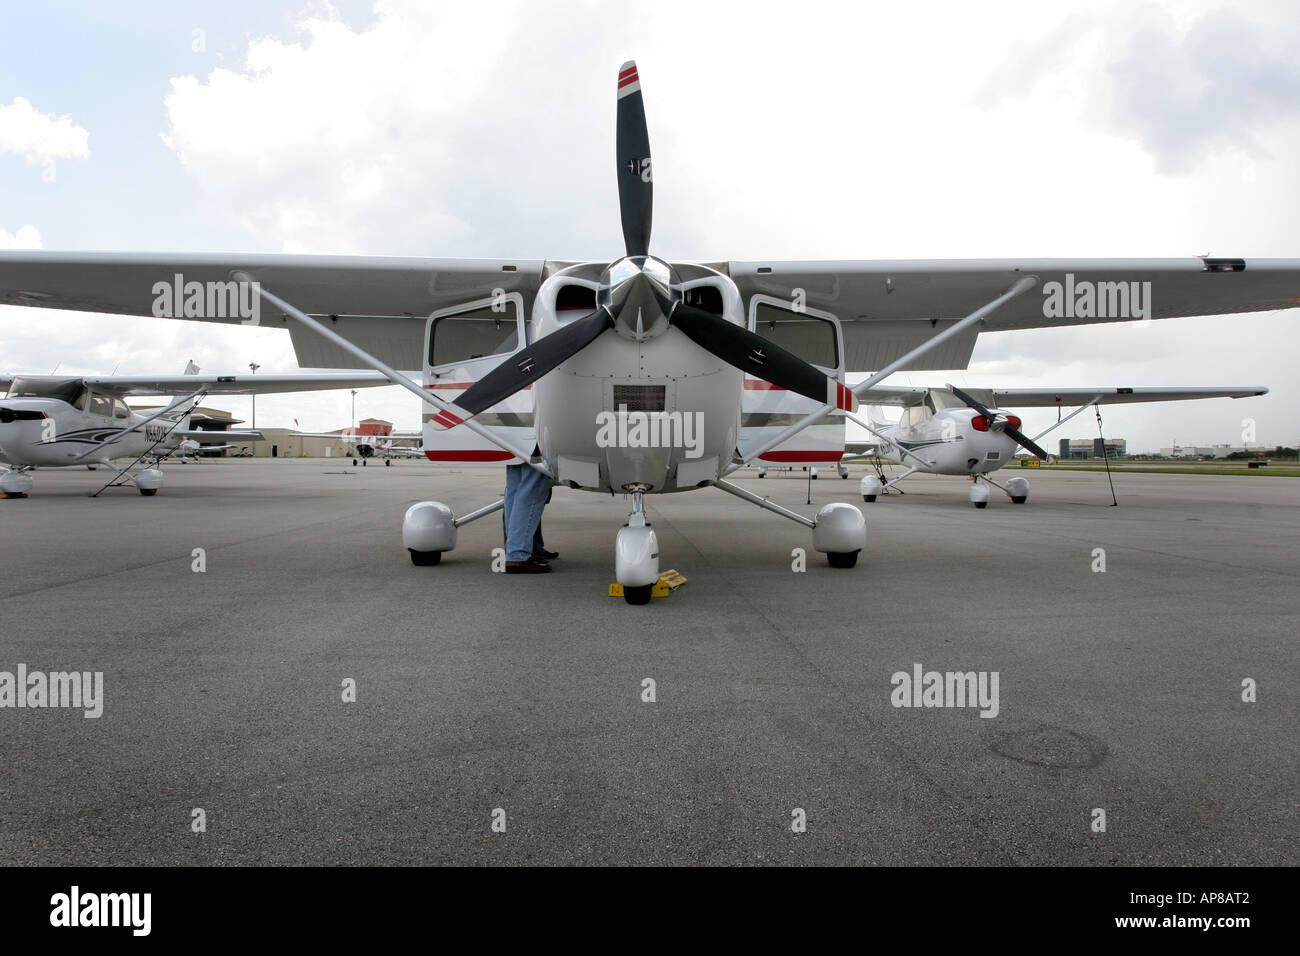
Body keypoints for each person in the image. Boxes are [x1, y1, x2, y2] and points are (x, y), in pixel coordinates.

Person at [502, 462, 556, 573]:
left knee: (515, 484)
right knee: (534, 482)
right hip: (533, 446)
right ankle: (518, 554)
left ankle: (517, 550)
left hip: (515, 445)